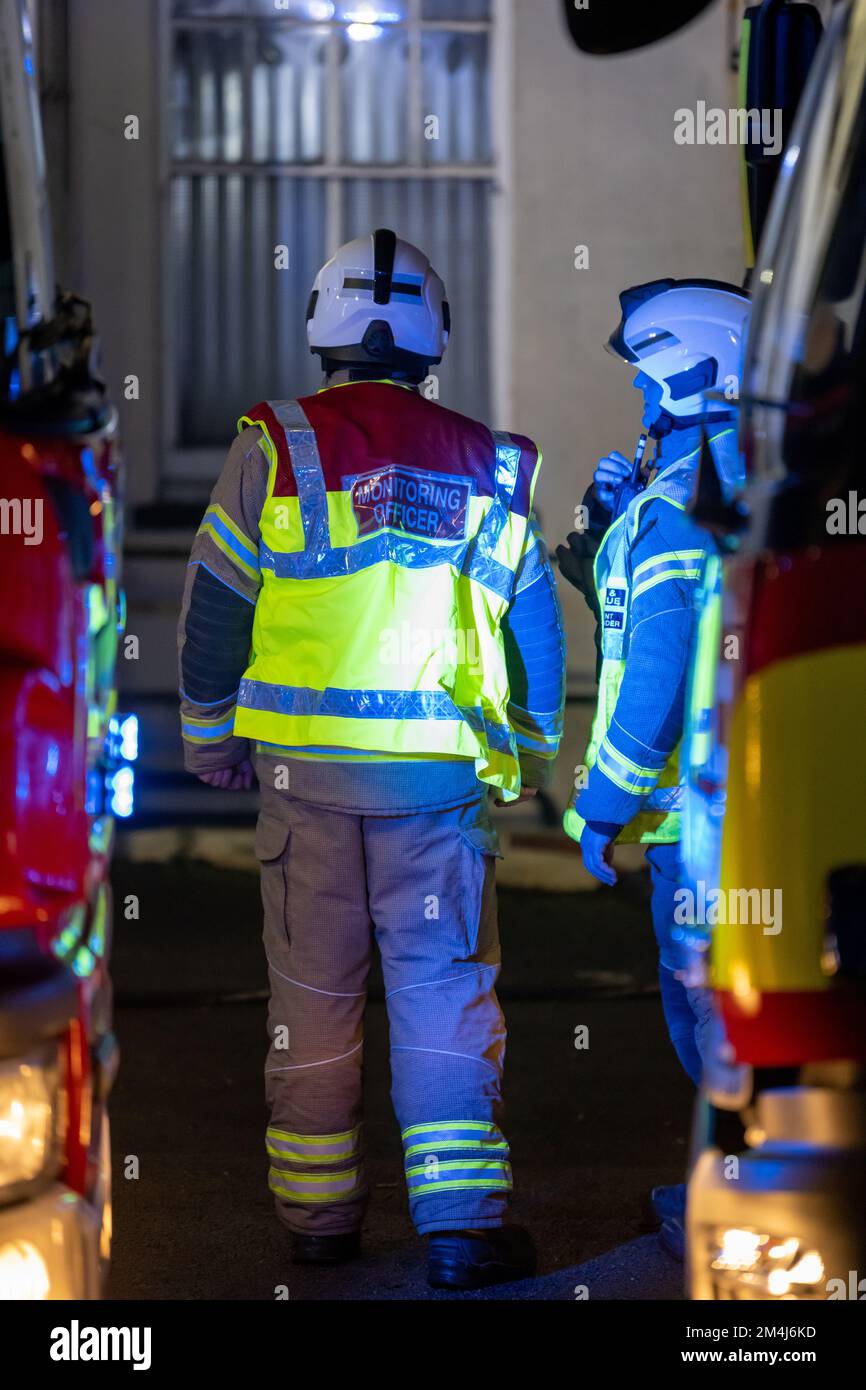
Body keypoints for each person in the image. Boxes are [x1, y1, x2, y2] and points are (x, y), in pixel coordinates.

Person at [177, 229, 565, 1290]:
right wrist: (526, 752)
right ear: (433, 329)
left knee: (312, 994)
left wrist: (211, 738)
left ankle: (317, 1226)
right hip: (436, 794)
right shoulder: (489, 460)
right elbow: (533, 624)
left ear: (321, 329)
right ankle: (460, 1233)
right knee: (440, 993)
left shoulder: (276, 445)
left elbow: (217, 603)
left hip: (305, 793)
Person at [557, 277, 750, 1256]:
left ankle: (742, 1201)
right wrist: (598, 535)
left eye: (645, 381)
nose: (636, 401)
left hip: (694, 829)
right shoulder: (706, 495)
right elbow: (645, 620)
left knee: (707, 1013)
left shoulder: (671, 510)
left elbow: (654, 679)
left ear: (694, 371)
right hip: (739, 818)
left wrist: (598, 807)